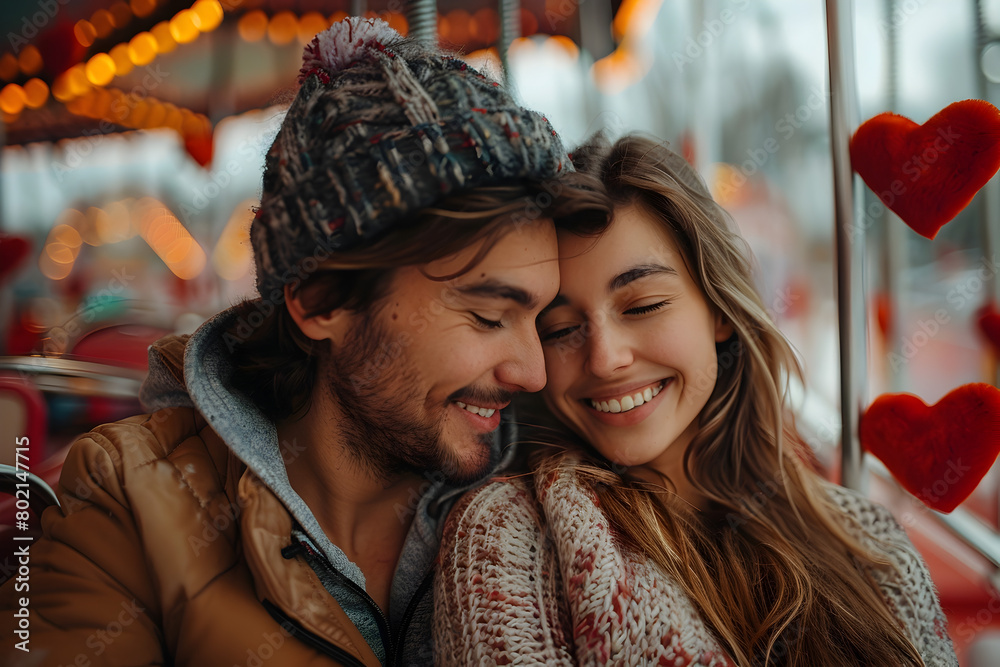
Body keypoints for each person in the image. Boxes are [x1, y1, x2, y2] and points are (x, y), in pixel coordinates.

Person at [0, 18, 609, 667]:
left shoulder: (561, 486)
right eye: (489, 316)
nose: (533, 373)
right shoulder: (132, 501)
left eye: (541, 321)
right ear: (320, 299)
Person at [434, 134, 959, 666]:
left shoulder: (873, 543)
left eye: (643, 306)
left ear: (720, 312)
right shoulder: (506, 540)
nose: (604, 359)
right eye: (562, 327)